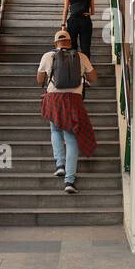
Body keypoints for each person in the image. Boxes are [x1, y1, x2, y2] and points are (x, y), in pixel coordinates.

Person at [37, 29, 98, 194]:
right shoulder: (81, 56)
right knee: (71, 139)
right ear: (70, 42)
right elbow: (93, 78)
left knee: (55, 129)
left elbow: (39, 80)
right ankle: (69, 181)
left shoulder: (48, 56)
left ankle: (60, 164)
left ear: (55, 43)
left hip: (54, 99)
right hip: (74, 101)